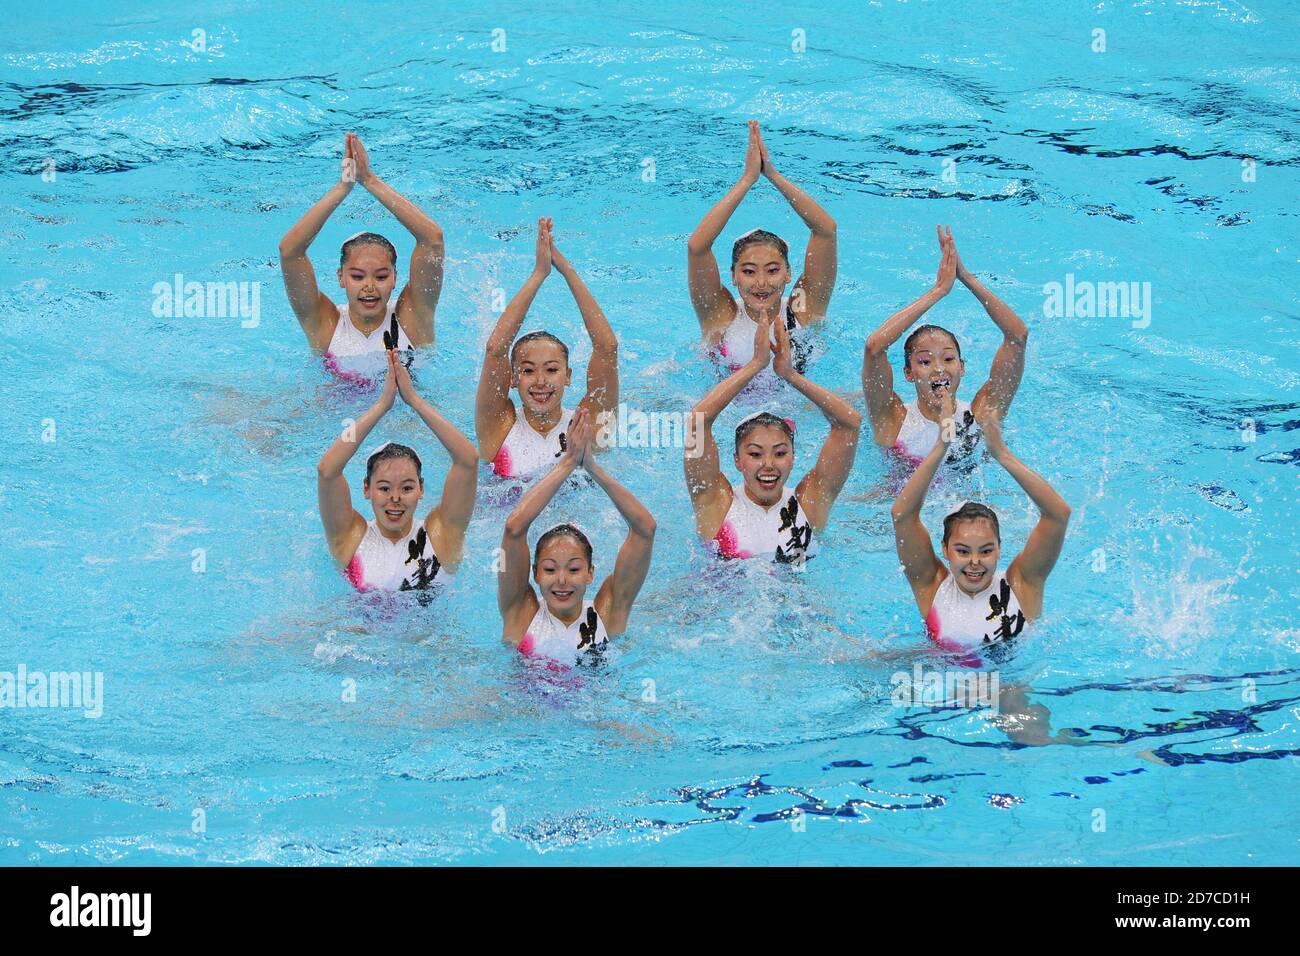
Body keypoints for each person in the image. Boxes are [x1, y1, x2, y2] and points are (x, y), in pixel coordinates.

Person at [890, 394, 1070, 651]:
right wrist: (941, 446)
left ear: (999, 549)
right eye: (963, 551)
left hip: (1007, 690)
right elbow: (902, 515)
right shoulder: (932, 587)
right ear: (945, 550)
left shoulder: (1022, 585)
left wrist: (1002, 454)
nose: (975, 562)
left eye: (985, 551)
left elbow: (1058, 515)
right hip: (942, 687)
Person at [684, 316, 860, 562]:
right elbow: (697, 421)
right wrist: (755, 365)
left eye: (780, 453)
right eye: (755, 454)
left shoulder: (808, 506)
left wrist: (791, 375)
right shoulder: (716, 503)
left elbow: (850, 423)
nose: (769, 464)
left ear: (793, 457)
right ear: (737, 460)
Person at [279, 132, 445, 385]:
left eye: (381, 276)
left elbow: (432, 239)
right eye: (357, 276)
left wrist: (369, 180)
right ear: (341, 277)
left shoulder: (412, 318)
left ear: (394, 278)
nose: (369, 286)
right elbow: (290, 251)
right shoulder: (326, 325)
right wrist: (342, 187)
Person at [497, 407, 656, 665]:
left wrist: (592, 467)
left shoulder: (607, 613)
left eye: (573, 569)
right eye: (550, 570)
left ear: (590, 573)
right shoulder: (520, 612)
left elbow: (645, 529)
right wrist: (568, 463)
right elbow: (513, 528)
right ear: (535, 573)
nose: (561, 580)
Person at [863, 226, 1028, 465]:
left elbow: (1017, 337)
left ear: (962, 367)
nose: (938, 368)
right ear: (909, 373)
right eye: (925, 361)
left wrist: (967, 278)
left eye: (948, 359)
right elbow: (874, 348)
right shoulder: (894, 421)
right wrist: (938, 291)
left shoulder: (980, 417)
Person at [317, 350, 477, 592]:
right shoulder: (351, 539)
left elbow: (468, 460)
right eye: (384, 488)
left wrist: (414, 400)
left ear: (421, 489)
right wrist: (381, 406)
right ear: (366, 489)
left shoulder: (440, 536)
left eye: (407, 488)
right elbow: (327, 470)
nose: (395, 498)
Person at [687, 121, 837, 375]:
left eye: (772, 270)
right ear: (733, 276)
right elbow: (697, 247)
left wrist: (774, 176)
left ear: (788, 273)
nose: (761, 283)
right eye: (748, 271)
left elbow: (826, 230)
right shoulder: (723, 317)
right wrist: (747, 180)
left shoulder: (801, 310)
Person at [476, 218, 619, 483]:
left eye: (552, 370)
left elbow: (607, 348)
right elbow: (495, 349)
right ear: (513, 378)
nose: (541, 381)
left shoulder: (587, 427)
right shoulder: (499, 428)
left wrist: (566, 270)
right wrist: (539, 274)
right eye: (528, 370)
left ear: (567, 376)